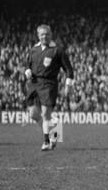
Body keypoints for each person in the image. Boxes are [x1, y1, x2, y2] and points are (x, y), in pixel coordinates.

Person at [24, 24, 74, 152]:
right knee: (33, 114)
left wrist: (68, 85)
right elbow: (27, 65)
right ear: (38, 36)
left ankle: (46, 141)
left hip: (49, 84)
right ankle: (56, 129)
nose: (44, 36)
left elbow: (69, 69)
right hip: (34, 84)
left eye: (47, 34)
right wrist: (27, 71)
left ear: (51, 35)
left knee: (46, 114)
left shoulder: (57, 50)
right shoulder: (33, 50)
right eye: (42, 34)